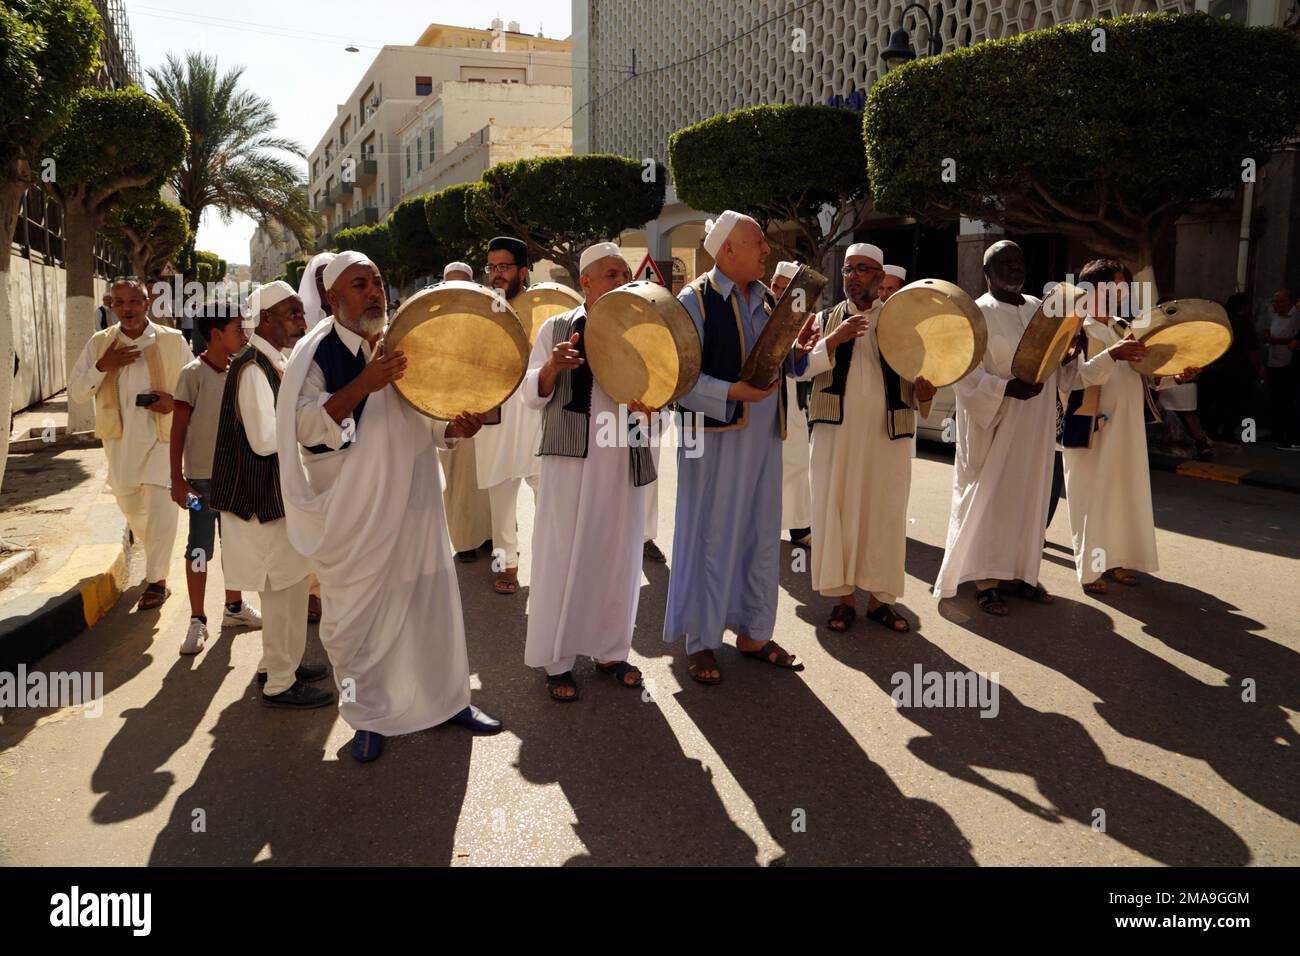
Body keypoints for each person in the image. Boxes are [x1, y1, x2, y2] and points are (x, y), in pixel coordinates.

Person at [277, 250, 501, 762]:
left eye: (376, 281)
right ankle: (370, 716)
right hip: (351, 518)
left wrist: (453, 429)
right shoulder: (313, 356)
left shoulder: (405, 341)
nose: (374, 291)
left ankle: (449, 701)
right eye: (360, 284)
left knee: (431, 602)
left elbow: (422, 413)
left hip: (416, 499)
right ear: (334, 298)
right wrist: (365, 382)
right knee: (356, 620)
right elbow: (306, 428)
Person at [663, 211, 813, 684]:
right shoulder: (694, 301)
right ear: (727, 250)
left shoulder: (769, 299)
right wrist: (732, 393)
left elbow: (775, 362)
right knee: (711, 536)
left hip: (764, 439)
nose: (767, 251)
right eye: (758, 244)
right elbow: (677, 379)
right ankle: (703, 642)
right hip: (713, 440)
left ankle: (754, 632)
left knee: (761, 536)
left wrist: (800, 350)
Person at [522, 242, 657, 701]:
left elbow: (660, 390)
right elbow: (529, 392)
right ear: (586, 282)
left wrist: (653, 408)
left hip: (623, 454)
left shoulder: (642, 329)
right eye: (612, 275)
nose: (623, 281)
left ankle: (611, 652)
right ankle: (556, 660)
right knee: (562, 553)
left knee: (617, 554)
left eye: (625, 273)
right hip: (570, 459)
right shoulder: (556, 327)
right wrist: (552, 369)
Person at [933, 240, 1076, 615]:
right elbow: (963, 372)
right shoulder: (976, 314)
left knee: (1029, 496)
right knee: (990, 498)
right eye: (1005, 262)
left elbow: (1058, 369)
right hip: (992, 423)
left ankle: (1018, 573)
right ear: (986, 273)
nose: (1015, 267)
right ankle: (985, 581)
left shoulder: (1039, 310)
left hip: (1036, 422)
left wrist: (1069, 357)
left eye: (1019, 260)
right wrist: (1004, 389)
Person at [800, 243, 934, 633]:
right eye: (847, 269)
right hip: (834, 437)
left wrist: (924, 394)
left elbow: (917, 381)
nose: (852, 276)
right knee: (835, 512)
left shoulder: (902, 325)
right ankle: (842, 600)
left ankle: (880, 601)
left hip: (886, 437)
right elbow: (799, 369)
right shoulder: (822, 320)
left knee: (884, 514)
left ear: (880, 277)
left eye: (862, 269)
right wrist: (835, 338)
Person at [211, 281, 332, 708]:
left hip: (272, 499)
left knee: (290, 586)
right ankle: (281, 681)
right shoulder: (252, 366)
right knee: (282, 590)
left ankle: (280, 664)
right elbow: (264, 440)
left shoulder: (270, 360)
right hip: (260, 502)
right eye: (293, 314)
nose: (302, 320)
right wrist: (309, 431)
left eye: (301, 313)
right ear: (267, 319)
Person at [1060, 259, 1199, 595]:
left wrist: (1174, 378)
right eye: (1116, 287)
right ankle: (1090, 567)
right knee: (1090, 496)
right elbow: (1071, 379)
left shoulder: (1125, 327)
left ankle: (1116, 560)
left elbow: (1144, 377)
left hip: (1128, 426)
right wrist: (1112, 354)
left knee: (1122, 494)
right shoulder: (1075, 328)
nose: (1121, 294)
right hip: (1090, 425)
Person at [69, 277, 190, 611]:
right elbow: (77, 392)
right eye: (120, 303)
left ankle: (157, 581)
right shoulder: (99, 344)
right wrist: (101, 367)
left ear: (147, 303)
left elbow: (194, 388)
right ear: (111, 305)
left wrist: (173, 402)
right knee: (133, 508)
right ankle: (156, 559)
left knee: (161, 505)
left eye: (134, 301)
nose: (127, 309)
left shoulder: (173, 340)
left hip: (162, 440)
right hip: (120, 444)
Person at [170, 309, 262, 655]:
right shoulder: (192, 374)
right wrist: (177, 481)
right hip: (200, 483)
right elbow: (178, 429)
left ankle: (234, 609)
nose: (244, 334)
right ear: (215, 333)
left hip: (234, 479)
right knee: (198, 550)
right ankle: (197, 619)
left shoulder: (240, 372)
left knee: (235, 547)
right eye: (238, 328)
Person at [477, 236, 543, 594]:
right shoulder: (484, 306)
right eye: (492, 267)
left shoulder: (546, 305)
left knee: (548, 496)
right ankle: (507, 567)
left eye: (503, 267)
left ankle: (551, 564)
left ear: (521, 270)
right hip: (498, 417)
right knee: (500, 504)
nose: (497, 274)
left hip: (536, 416)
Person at [769, 260, 813, 550]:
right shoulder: (758, 312)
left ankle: (800, 529)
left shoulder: (806, 319)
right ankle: (766, 527)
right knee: (767, 471)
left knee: (797, 466)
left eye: (786, 288)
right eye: (776, 286)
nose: (779, 293)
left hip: (795, 405)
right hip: (764, 401)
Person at [1262, 289, 1299, 450]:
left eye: (1279, 302)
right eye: (1274, 301)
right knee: (1275, 400)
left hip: (1288, 364)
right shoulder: (1275, 316)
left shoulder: (1296, 317)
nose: (1275, 305)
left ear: (1288, 302)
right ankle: (1276, 432)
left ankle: (1290, 436)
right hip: (1273, 361)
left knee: (1287, 402)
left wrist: (1278, 340)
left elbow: (1296, 340)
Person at [296, 251, 337, 330]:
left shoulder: (353, 310)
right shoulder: (305, 319)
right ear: (313, 284)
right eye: (321, 279)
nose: (326, 284)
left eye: (330, 278)